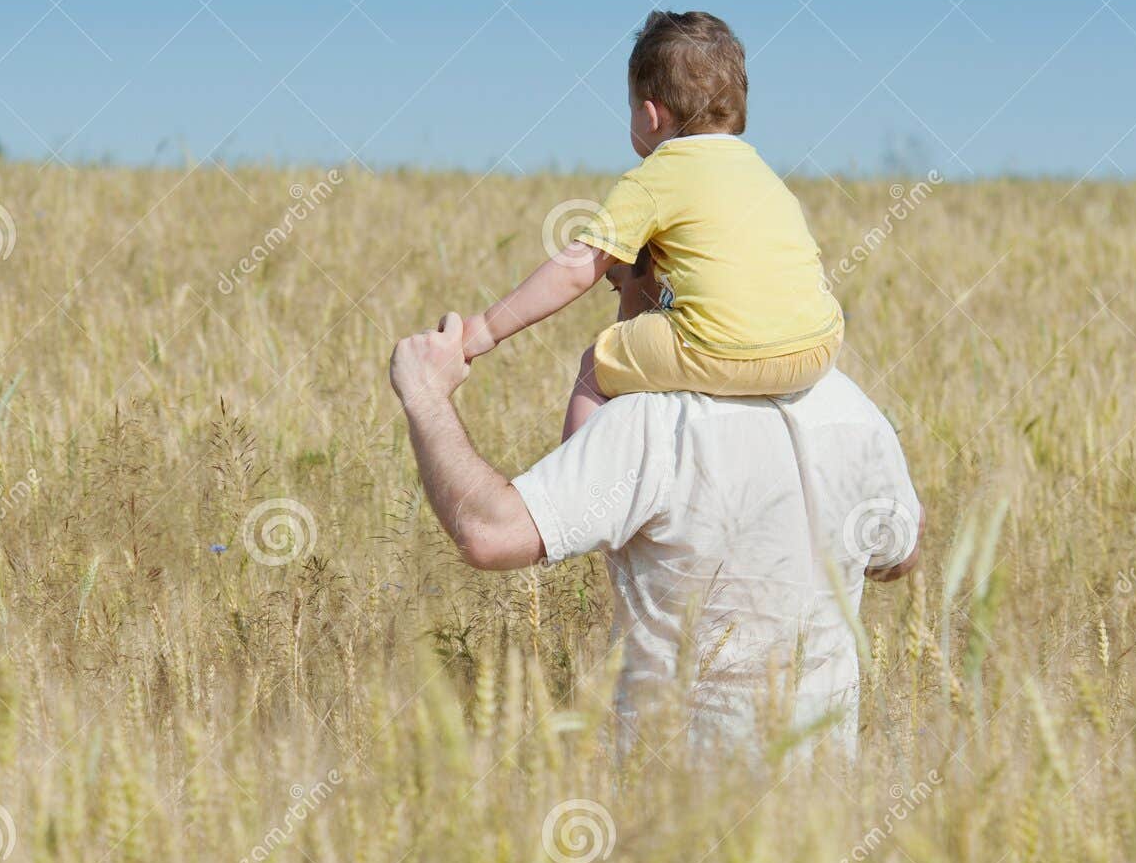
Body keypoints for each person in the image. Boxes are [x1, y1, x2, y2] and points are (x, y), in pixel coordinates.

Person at [390, 312, 921, 759]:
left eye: (619, 283)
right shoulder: (854, 409)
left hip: (677, 799)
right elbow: (899, 557)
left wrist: (426, 394)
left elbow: (489, 531)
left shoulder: (653, 420)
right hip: (827, 801)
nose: (620, 312)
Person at [459, 10, 844, 440]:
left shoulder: (653, 178)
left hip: (719, 349)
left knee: (595, 365)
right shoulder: (764, 173)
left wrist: (487, 329)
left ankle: (575, 486)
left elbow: (575, 271)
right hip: (817, 346)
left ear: (649, 115)